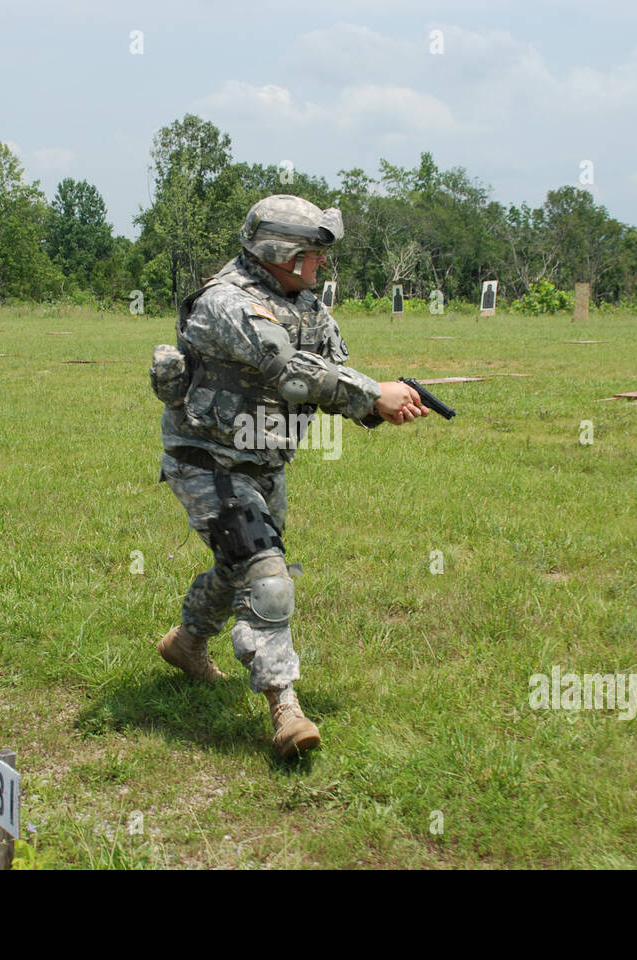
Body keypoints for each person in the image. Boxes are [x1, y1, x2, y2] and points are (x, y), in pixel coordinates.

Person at [150, 194, 428, 757]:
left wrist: (381, 401)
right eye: (313, 253)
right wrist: (374, 395)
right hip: (208, 460)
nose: (321, 264)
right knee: (268, 575)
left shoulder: (306, 305)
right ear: (281, 250)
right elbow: (291, 370)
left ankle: (186, 643)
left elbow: (330, 370)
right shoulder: (226, 302)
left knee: (237, 567)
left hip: (263, 463)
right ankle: (285, 707)